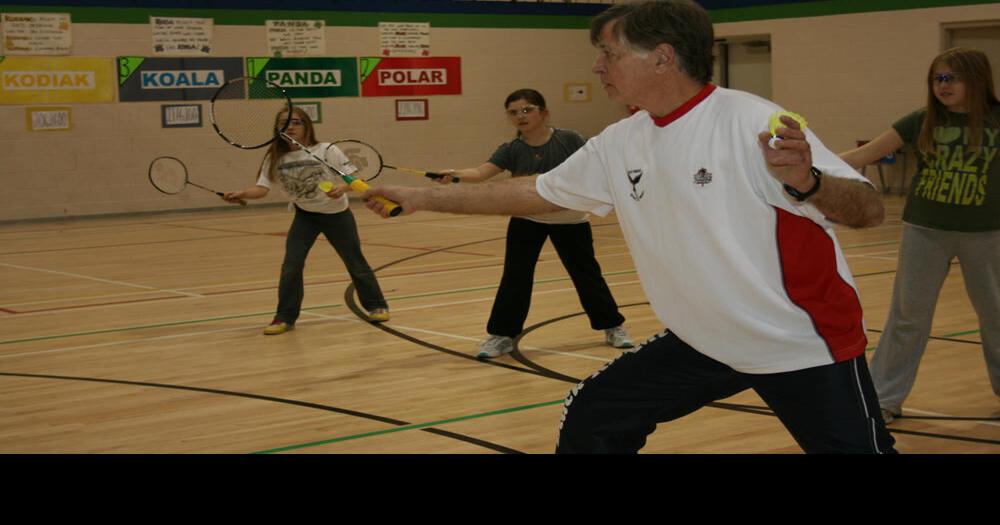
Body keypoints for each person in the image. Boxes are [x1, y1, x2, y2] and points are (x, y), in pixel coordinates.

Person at [363, 0, 895, 453]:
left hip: (797, 341)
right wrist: (421, 197)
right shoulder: (624, 139)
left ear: (662, 57)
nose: (598, 67)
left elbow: (868, 210)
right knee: (594, 418)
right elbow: (535, 191)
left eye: (609, 53)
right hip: (704, 339)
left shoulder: (750, 121)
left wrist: (811, 182)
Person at [840, 47, 1000, 424]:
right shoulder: (921, 120)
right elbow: (861, 157)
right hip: (925, 231)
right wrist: (806, 157)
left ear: (976, 80)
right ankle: (883, 398)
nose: (942, 86)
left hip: (987, 234)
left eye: (951, 78)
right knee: (908, 317)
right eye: (937, 79)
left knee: (995, 317)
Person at [435, 88, 633, 358]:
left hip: (570, 220)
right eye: (514, 112)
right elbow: (482, 172)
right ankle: (502, 336)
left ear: (544, 112)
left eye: (527, 110)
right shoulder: (511, 149)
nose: (521, 116)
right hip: (527, 219)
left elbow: (596, 165)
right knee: (515, 277)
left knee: (586, 275)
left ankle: (613, 327)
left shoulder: (569, 139)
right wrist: (455, 174)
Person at [223, 107, 390, 334]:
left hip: (336, 215)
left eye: (296, 122)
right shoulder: (275, 157)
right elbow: (261, 189)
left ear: (307, 126)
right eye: (284, 122)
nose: (290, 126)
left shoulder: (327, 149)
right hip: (305, 216)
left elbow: (354, 179)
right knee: (291, 266)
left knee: (355, 262)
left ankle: (377, 305)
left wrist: (342, 187)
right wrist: (241, 193)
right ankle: (284, 318)